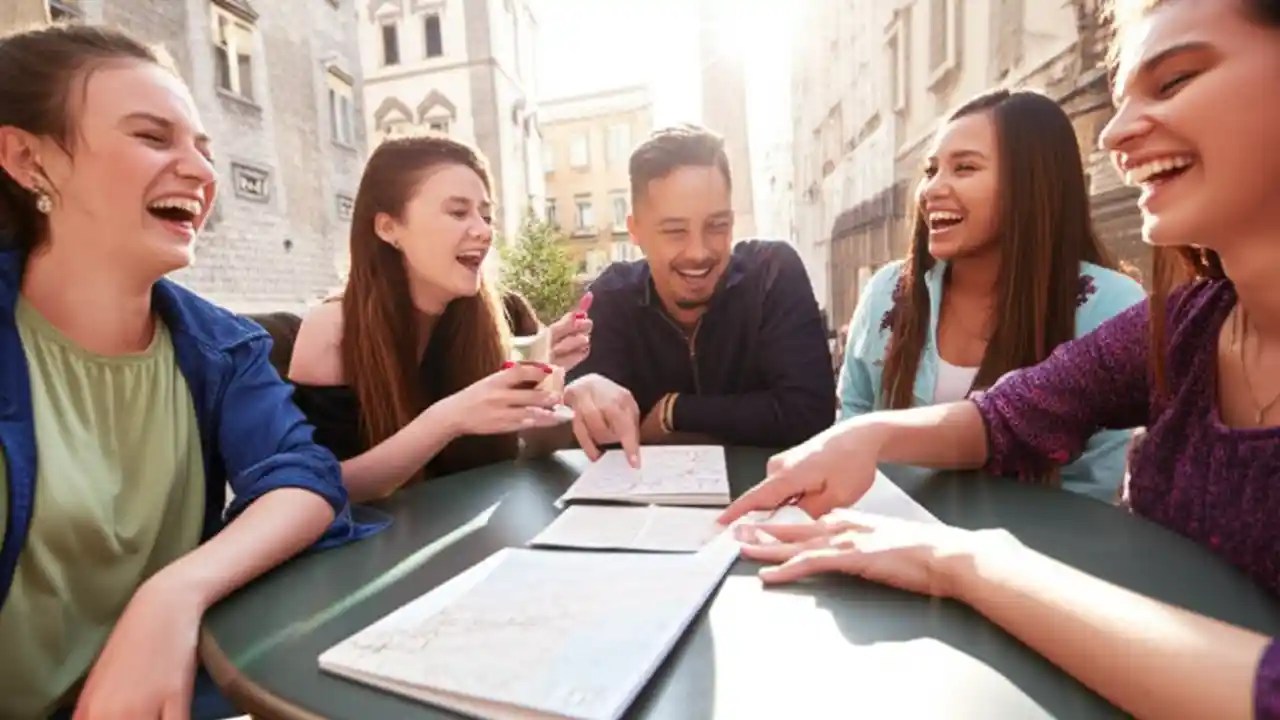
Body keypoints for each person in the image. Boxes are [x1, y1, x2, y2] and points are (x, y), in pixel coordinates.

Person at [721, 0, 1280, 716]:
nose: (1113, 132)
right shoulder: (1189, 325)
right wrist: (862, 434)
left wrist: (967, 562)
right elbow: (1013, 414)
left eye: (1174, 81)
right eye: (1121, 99)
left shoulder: (1113, 301)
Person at [0, 24, 369, 719]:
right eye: (152, 137)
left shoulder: (220, 347)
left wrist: (172, 594)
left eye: (202, 147)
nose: (203, 173)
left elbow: (304, 476)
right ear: (26, 157)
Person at [840, 89, 1145, 501]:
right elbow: (852, 417)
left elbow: (1096, 486)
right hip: (879, 541)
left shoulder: (1111, 307)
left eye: (964, 168)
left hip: (1034, 557)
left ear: (1031, 182)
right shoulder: (888, 291)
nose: (932, 190)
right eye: (931, 171)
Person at [288, 135, 593, 502]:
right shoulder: (332, 329)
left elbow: (540, 446)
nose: (483, 231)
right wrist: (447, 420)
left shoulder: (508, 312)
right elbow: (319, 489)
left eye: (486, 215)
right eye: (458, 212)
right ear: (388, 228)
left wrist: (551, 387)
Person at [565, 124, 835, 453]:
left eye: (717, 226)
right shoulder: (611, 298)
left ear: (732, 223)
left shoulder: (772, 274)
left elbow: (810, 413)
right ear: (636, 232)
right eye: (675, 231)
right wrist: (578, 392)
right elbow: (578, 427)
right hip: (648, 502)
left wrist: (674, 411)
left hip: (765, 497)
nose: (699, 252)